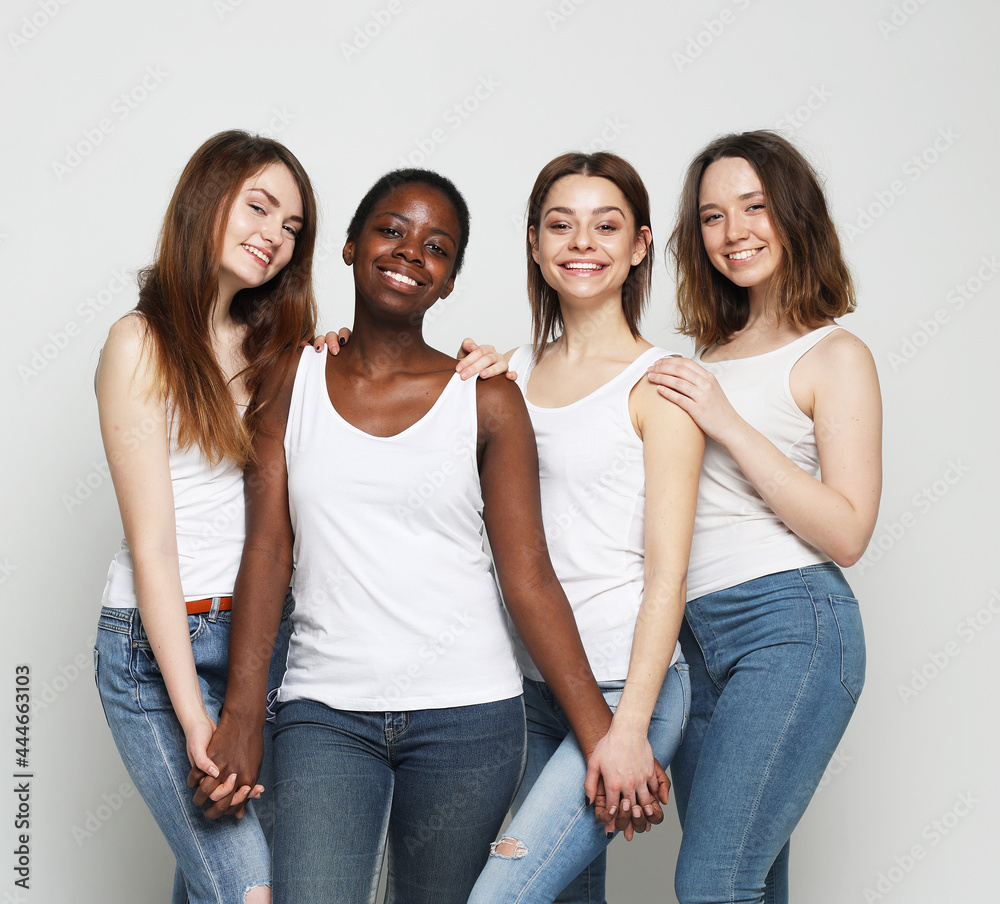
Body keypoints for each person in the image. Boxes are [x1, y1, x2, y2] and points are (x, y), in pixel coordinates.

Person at [192, 168, 634, 904]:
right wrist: (241, 716)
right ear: (349, 247)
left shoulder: (488, 399)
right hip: (324, 713)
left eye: (436, 246)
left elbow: (528, 577)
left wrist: (604, 737)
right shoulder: (288, 381)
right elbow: (267, 553)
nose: (408, 253)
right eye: (390, 231)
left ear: (450, 280)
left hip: (469, 718)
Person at [645, 130, 882, 904]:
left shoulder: (833, 355)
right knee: (750, 879)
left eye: (753, 206)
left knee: (715, 880)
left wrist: (729, 423)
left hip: (790, 624)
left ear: (793, 214)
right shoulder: (705, 359)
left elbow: (848, 531)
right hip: (693, 642)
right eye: (712, 216)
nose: (734, 231)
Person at [468, 152, 704, 904]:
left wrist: (626, 731)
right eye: (561, 225)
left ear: (639, 245)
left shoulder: (659, 384)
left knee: (501, 896)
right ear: (535, 243)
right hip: (528, 689)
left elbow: (669, 575)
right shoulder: (508, 373)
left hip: (624, 686)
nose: (582, 244)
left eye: (606, 227)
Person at [93, 130, 318, 904]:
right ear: (206, 201)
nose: (275, 237)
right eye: (259, 207)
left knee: (223, 885)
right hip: (156, 657)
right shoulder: (140, 343)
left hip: (263, 640)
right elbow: (154, 549)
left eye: (292, 228)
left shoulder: (278, 350)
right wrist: (196, 720)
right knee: (250, 891)